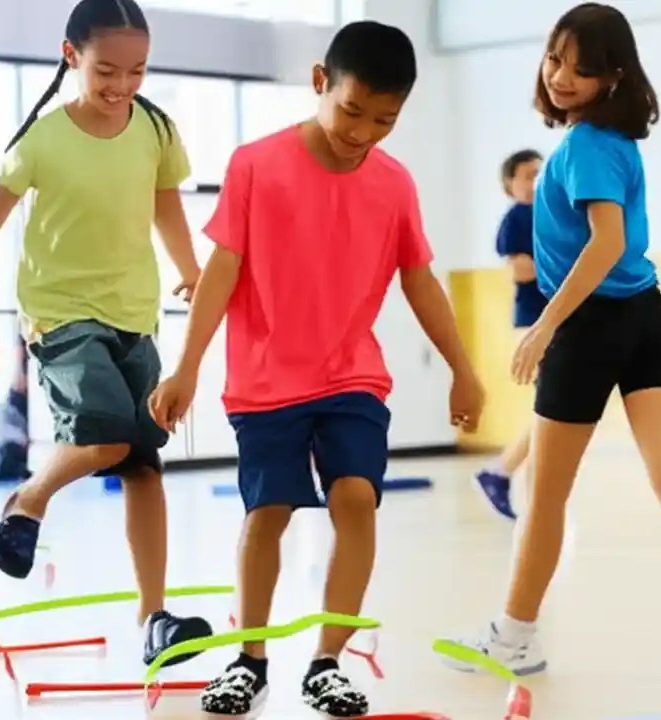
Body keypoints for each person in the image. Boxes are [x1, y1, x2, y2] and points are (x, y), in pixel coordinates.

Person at [148, 21, 485, 717]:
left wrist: (462, 367)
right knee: (267, 512)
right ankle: (251, 657)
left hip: (351, 373)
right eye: (352, 111)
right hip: (266, 378)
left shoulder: (394, 185)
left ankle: (327, 661)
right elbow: (221, 272)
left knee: (356, 498)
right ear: (318, 83)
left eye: (385, 120)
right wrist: (185, 369)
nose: (363, 132)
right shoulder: (256, 165)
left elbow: (420, 280)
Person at [0, 0, 214, 667]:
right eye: (107, 70)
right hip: (59, 309)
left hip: (133, 312)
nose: (122, 85)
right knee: (103, 433)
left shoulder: (155, 129)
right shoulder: (42, 139)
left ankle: (153, 617)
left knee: (140, 463)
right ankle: (31, 498)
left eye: (137, 71)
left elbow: (166, 205)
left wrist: (191, 269)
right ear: (71, 56)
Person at [444, 3, 661, 698]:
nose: (563, 76)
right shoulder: (615, 141)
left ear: (615, 76)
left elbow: (605, 242)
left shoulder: (582, 148)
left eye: (584, 67)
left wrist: (543, 327)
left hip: (593, 327)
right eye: (555, 59)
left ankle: (514, 635)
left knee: (546, 494)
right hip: (649, 318)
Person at [475, 149, 546, 520]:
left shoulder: (551, 214)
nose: (536, 181)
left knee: (556, 410)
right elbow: (520, 271)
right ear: (510, 184)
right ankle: (501, 473)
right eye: (528, 175)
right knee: (555, 410)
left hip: (556, 318)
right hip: (536, 321)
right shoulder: (516, 219)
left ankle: (508, 477)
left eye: (540, 173)